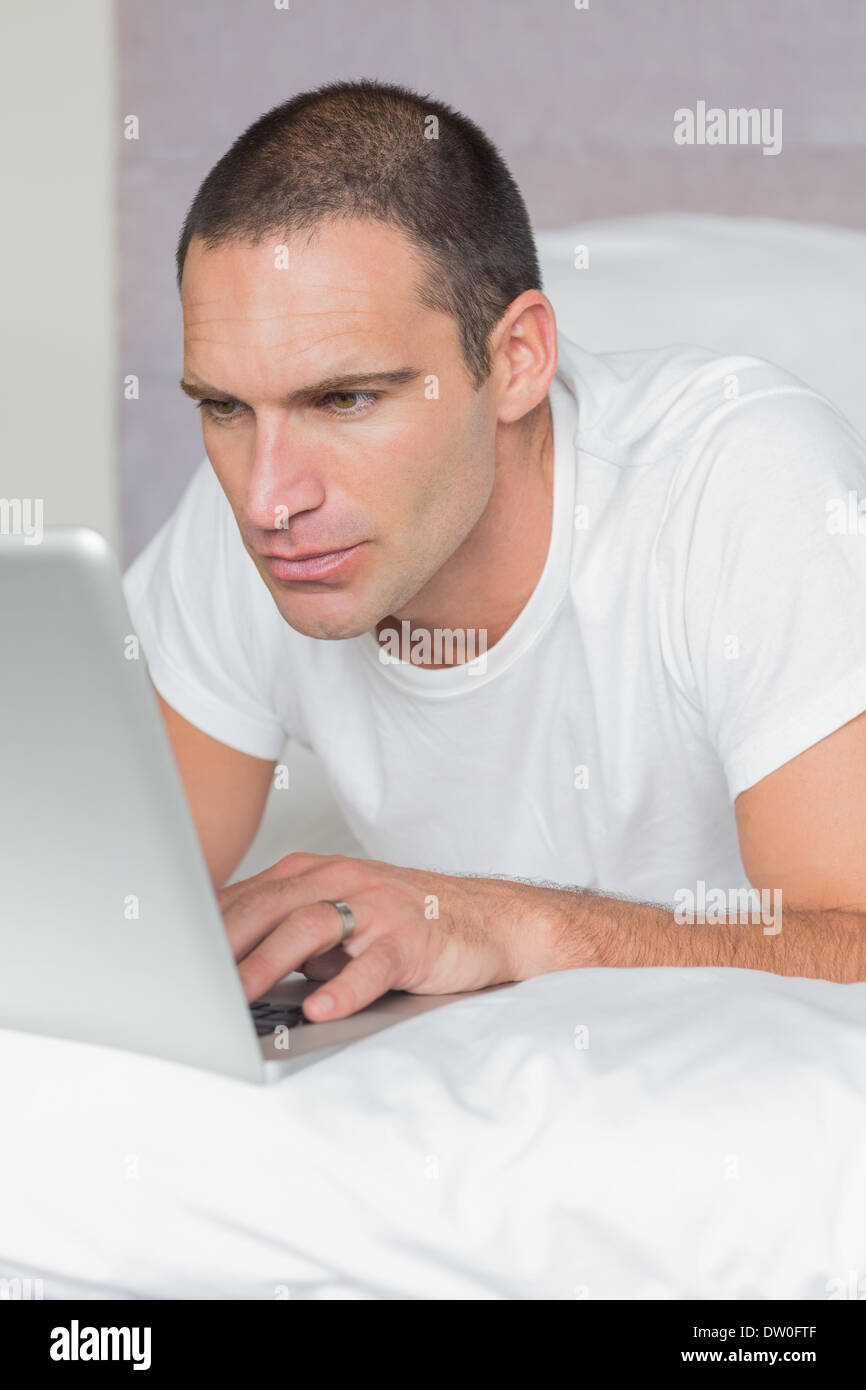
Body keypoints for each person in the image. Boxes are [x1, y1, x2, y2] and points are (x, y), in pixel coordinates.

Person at [124, 79, 866, 1021]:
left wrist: (511, 926)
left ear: (516, 360)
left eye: (346, 399)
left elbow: (855, 939)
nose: (269, 499)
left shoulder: (742, 479)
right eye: (224, 406)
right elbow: (102, 896)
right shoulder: (252, 506)